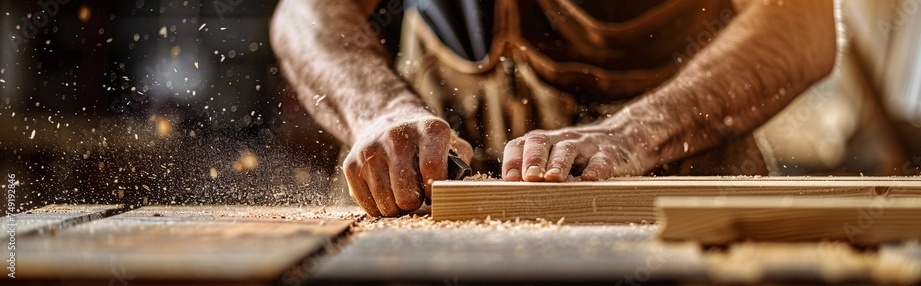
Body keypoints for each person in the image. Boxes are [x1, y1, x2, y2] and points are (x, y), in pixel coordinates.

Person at [270, 0, 837, 217]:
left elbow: (801, 25)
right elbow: (306, 13)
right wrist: (382, 111)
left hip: (674, 169)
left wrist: (631, 135)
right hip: (433, 172)